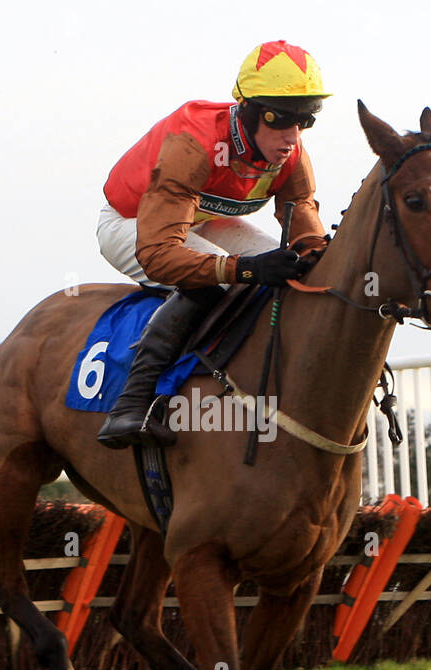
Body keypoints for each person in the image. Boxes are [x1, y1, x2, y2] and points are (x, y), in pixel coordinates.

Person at [94, 40, 332, 449]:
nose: (292, 137)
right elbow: (161, 255)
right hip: (132, 223)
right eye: (280, 119)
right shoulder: (193, 141)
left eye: (305, 121)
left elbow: (308, 235)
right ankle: (130, 406)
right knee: (222, 279)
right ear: (250, 111)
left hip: (203, 218)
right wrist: (244, 270)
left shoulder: (290, 152)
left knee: (295, 267)